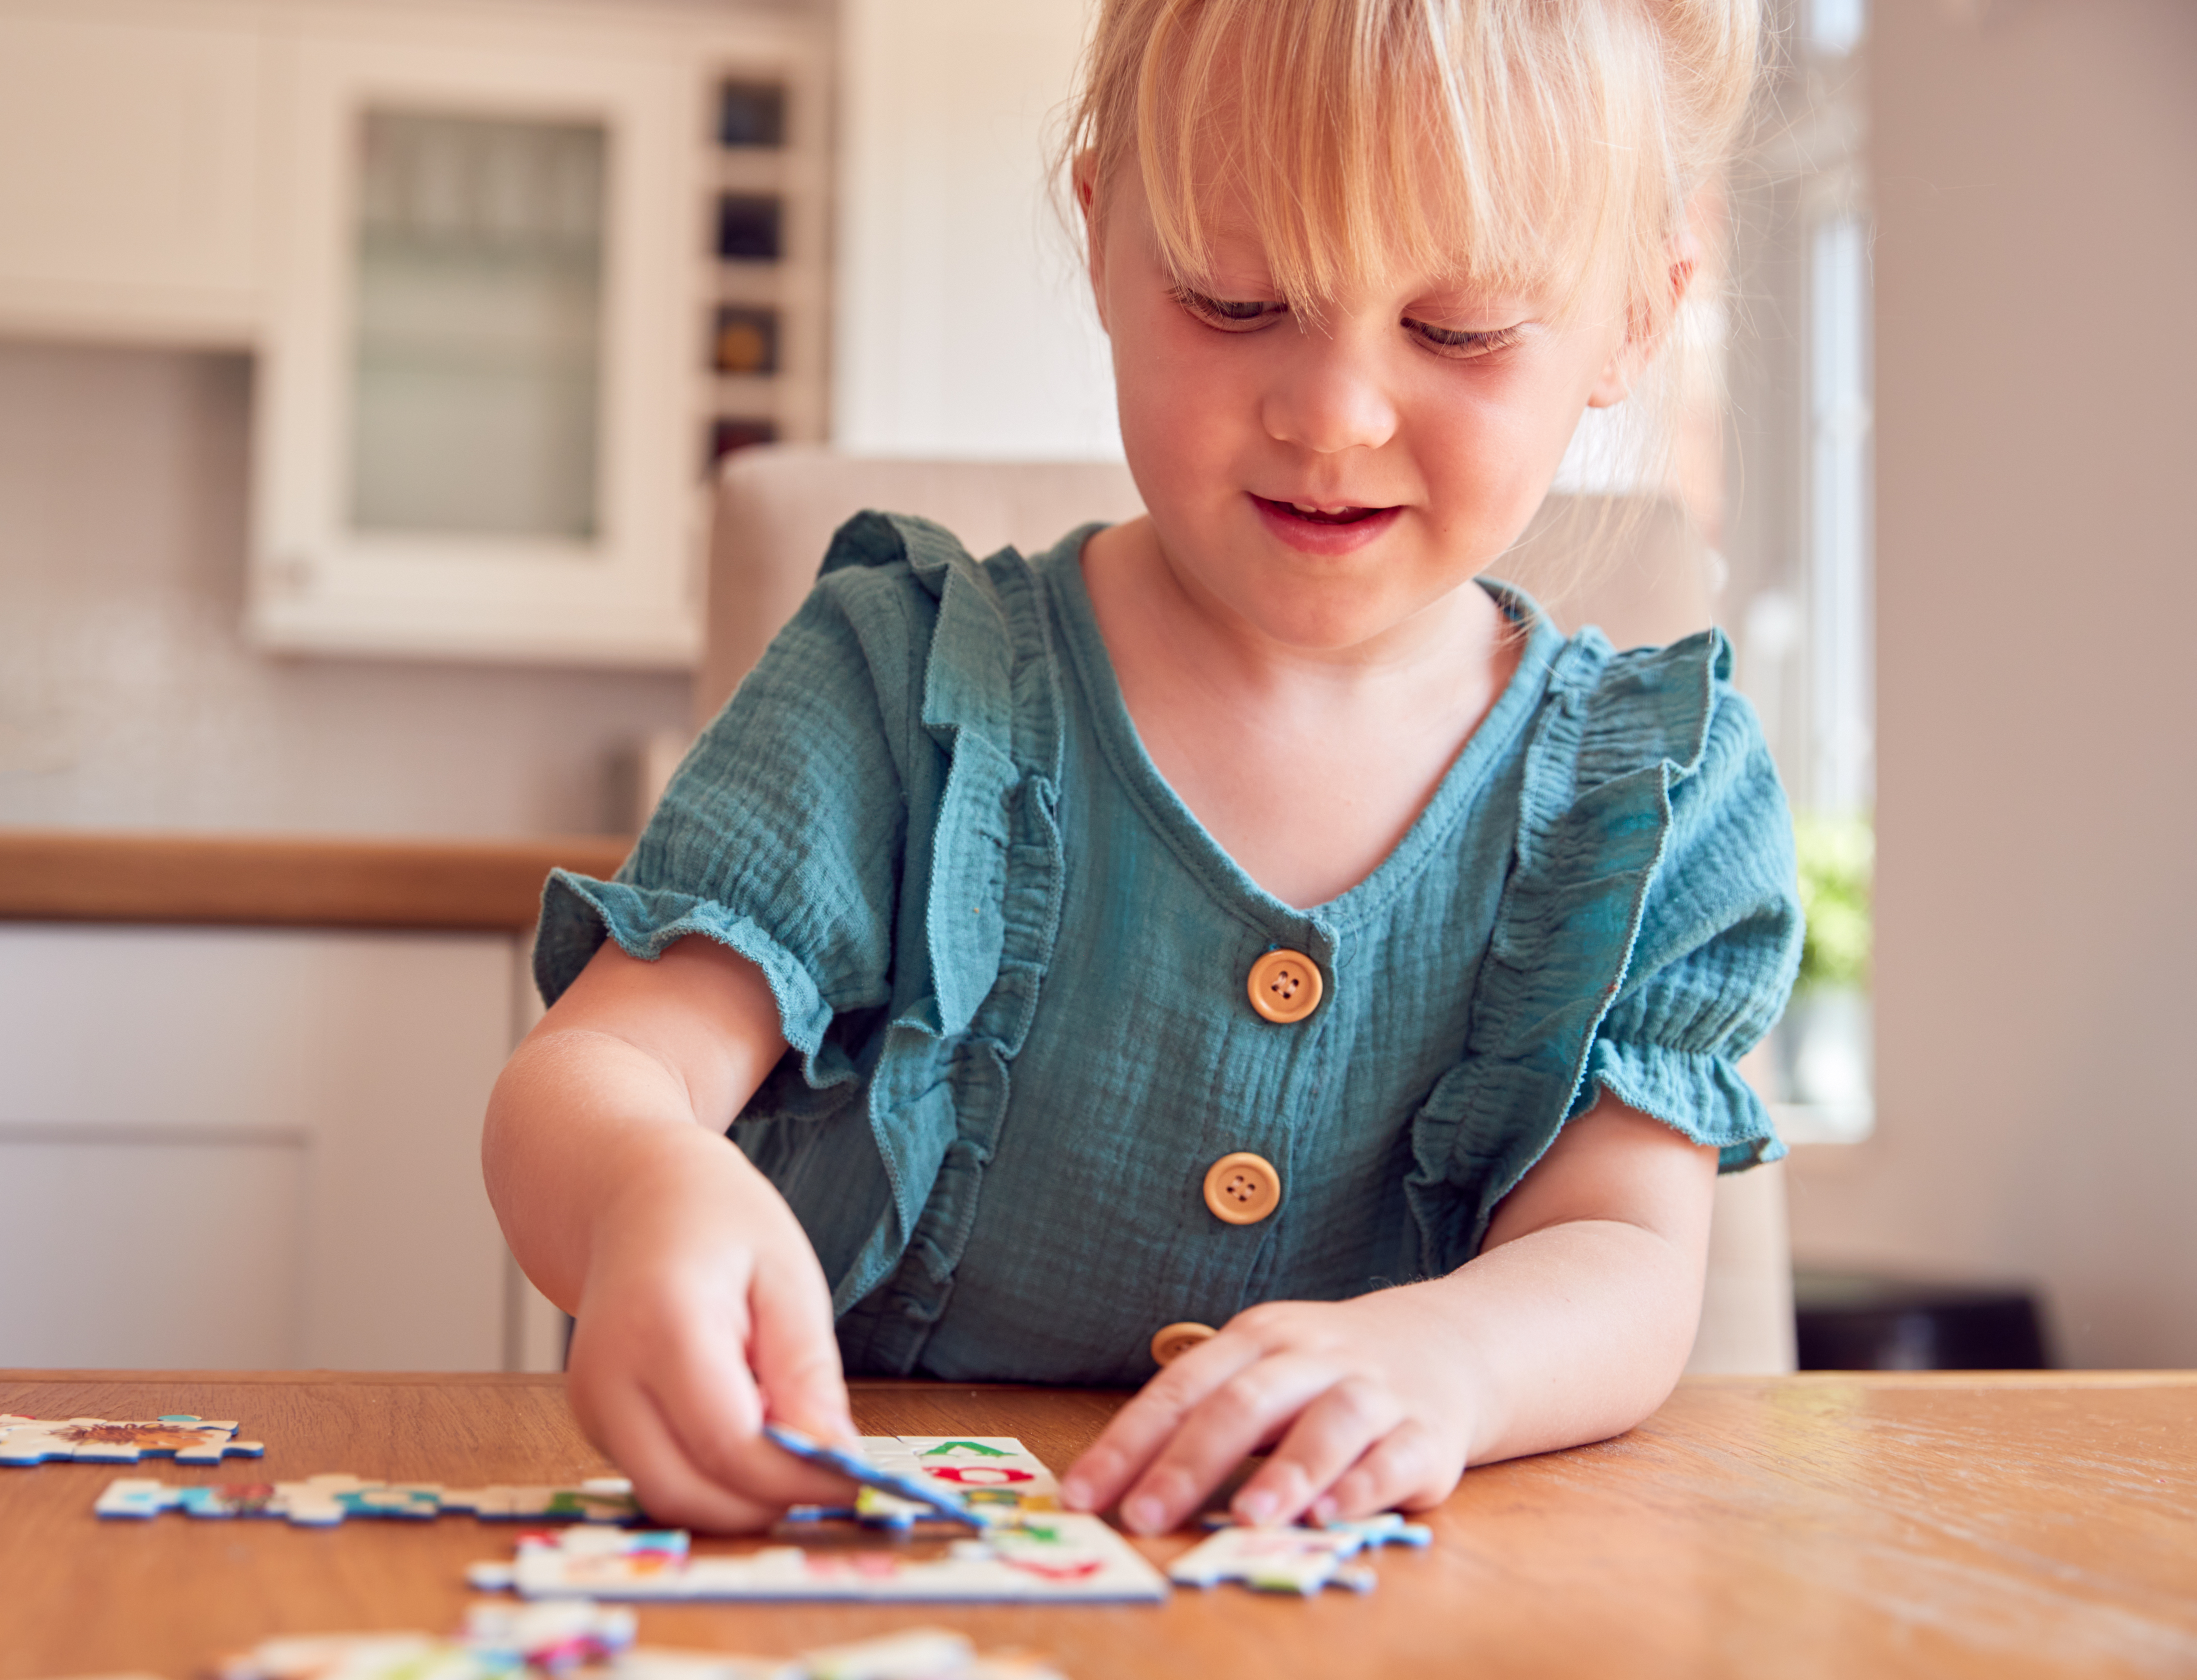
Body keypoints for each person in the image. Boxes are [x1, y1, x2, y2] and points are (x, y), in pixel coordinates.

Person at [483, 0, 1798, 1537]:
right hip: (846, 1580)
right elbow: (589, 1078)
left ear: (1641, 316)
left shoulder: (1661, 799)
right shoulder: (896, 679)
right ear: (1104, 239)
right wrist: (647, 1188)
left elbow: (1629, 1263)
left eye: (1456, 331)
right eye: (1233, 300)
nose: (1333, 414)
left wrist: (1457, 1355)